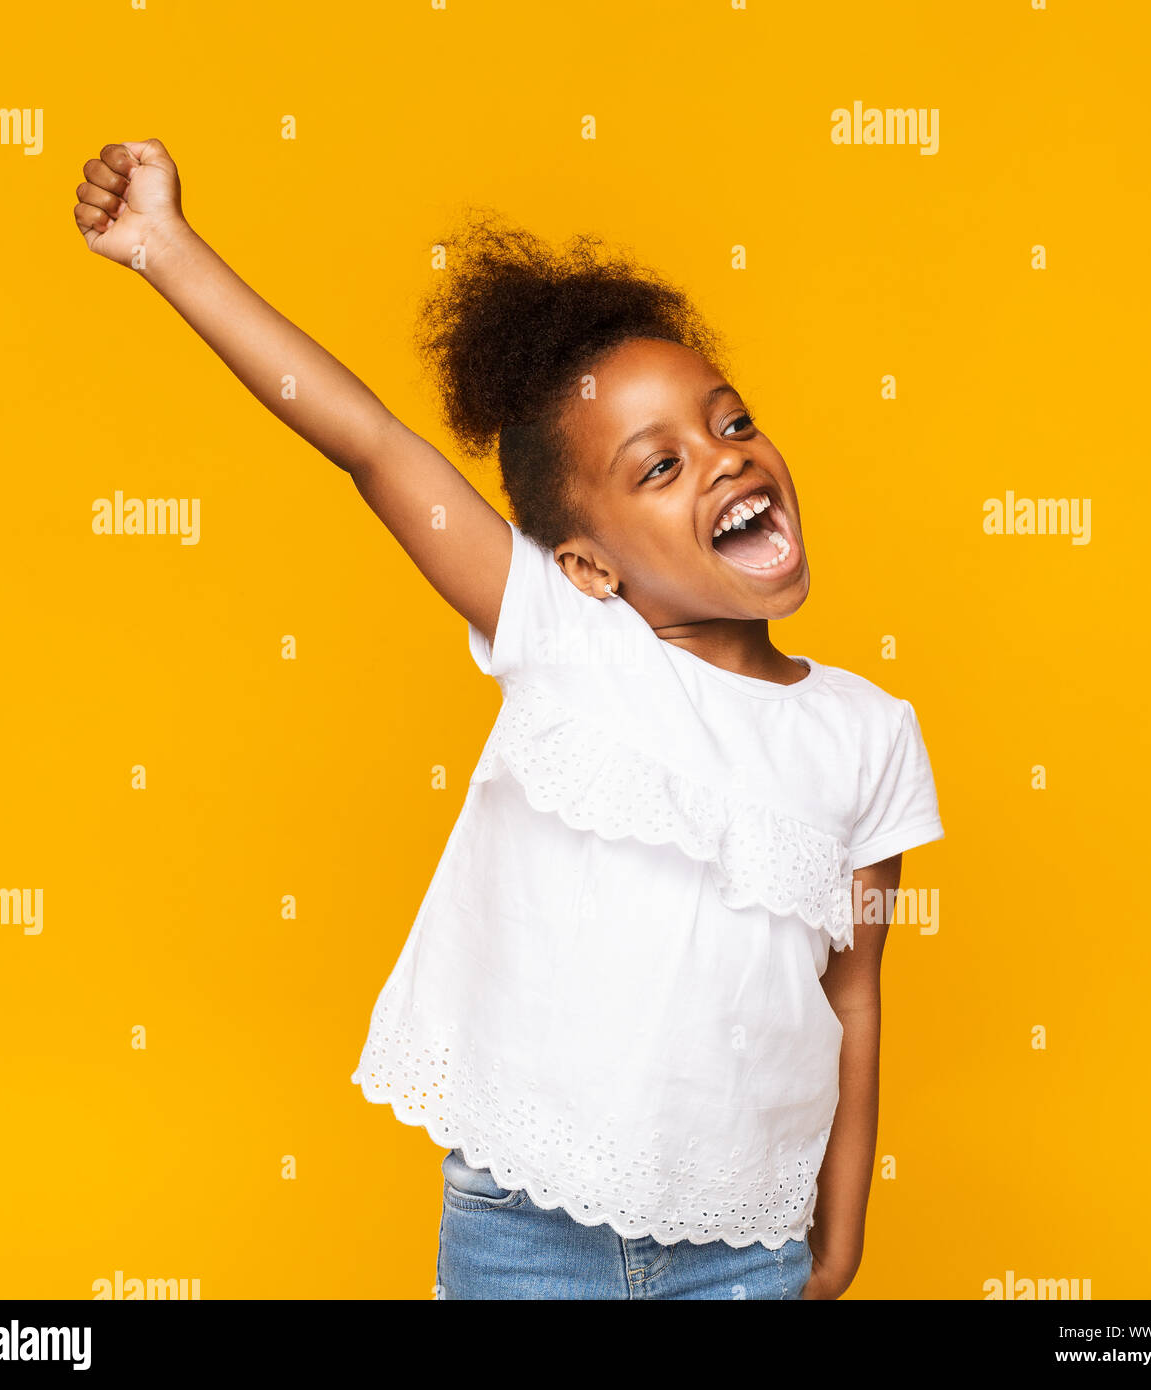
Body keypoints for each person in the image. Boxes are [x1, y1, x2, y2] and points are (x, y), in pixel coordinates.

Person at [73, 138, 945, 1300]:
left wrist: (839, 1240)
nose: (725, 464)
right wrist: (167, 250)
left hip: (744, 1246)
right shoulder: (566, 637)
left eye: (730, 425)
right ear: (581, 562)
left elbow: (854, 992)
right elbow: (370, 442)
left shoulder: (870, 733)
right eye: (658, 467)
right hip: (525, 1234)